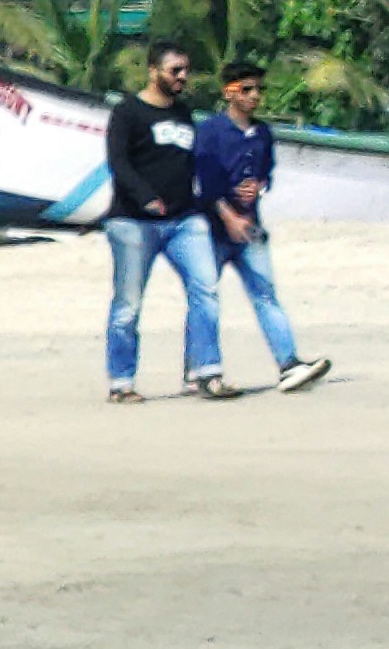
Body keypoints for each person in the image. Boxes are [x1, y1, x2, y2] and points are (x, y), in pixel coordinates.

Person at [94, 51, 224, 400]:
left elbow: (191, 164)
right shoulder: (127, 112)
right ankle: (121, 382)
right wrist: (145, 196)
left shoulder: (183, 114)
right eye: (175, 70)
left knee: (206, 289)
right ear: (154, 71)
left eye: (186, 70)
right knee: (128, 305)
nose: (183, 76)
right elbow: (118, 162)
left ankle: (206, 371)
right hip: (133, 222)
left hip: (184, 220)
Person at [189, 66, 324, 396]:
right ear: (229, 92)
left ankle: (289, 363)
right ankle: (200, 369)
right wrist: (228, 216)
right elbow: (203, 183)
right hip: (213, 230)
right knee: (204, 299)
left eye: (258, 89)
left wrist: (259, 187)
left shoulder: (262, 133)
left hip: (250, 226)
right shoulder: (210, 131)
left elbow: (267, 173)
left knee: (265, 294)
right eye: (247, 89)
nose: (255, 96)